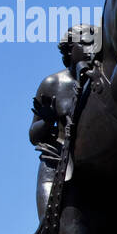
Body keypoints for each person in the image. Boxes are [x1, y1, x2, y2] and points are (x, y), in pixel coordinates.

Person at [30, 25, 101, 220]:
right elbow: (33, 137)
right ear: (70, 50)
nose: (92, 49)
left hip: (94, 168)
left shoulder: (102, 81)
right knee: (49, 227)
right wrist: (46, 121)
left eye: (96, 44)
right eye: (86, 43)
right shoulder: (52, 84)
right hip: (57, 165)